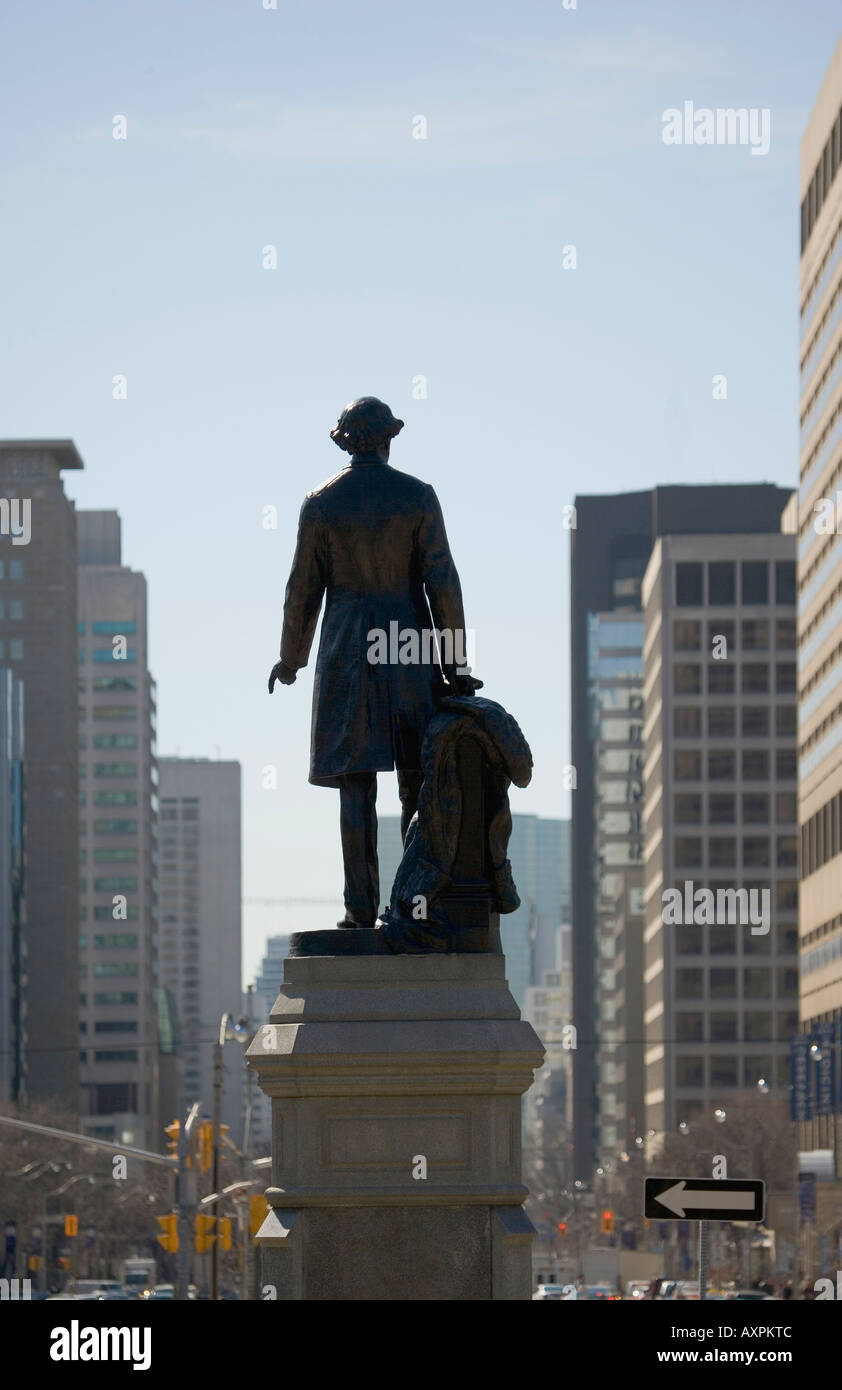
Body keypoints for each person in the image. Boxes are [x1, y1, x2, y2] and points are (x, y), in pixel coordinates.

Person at [269, 397, 478, 928]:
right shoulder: (417, 497)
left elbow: (301, 592)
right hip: (407, 644)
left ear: (343, 441)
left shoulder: (320, 503)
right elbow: (443, 584)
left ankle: (358, 911)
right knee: (417, 775)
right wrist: (455, 664)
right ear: (387, 439)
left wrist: (290, 659)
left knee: (356, 781)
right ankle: (413, 906)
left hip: (345, 652)